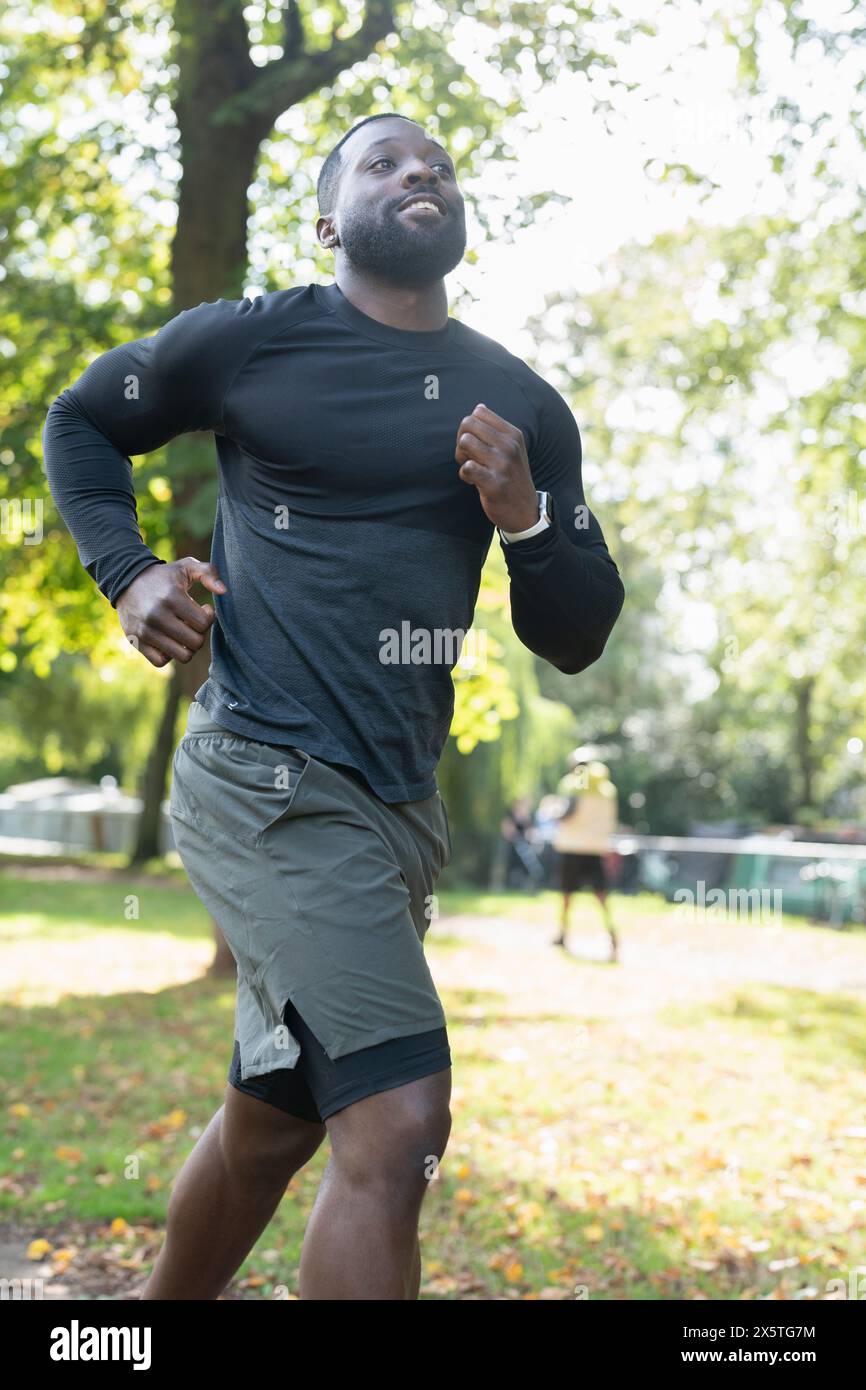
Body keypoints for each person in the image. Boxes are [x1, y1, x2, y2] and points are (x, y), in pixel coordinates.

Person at [42, 112, 625, 1301]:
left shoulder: (520, 404)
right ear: (326, 221)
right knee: (399, 1117)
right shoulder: (251, 342)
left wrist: (520, 521)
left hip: (396, 814)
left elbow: (576, 633)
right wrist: (129, 570)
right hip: (262, 776)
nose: (420, 170)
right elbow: (81, 420)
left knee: (276, 1124)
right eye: (384, 161)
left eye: (438, 163)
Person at [552, 745, 620, 961]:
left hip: (573, 847)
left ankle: (563, 933)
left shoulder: (574, 784)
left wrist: (552, 812)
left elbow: (567, 814)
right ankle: (612, 935)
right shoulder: (607, 789)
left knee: (566, 894)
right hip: (596, 848)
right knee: (602, 895)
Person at [499, 795, 545, 890]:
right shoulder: (510, 815)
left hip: (523, 844)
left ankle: (531, 882)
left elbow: (530, 830)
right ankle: (502, 884)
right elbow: (508, 830)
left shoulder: (528, 817)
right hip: (511, 844)